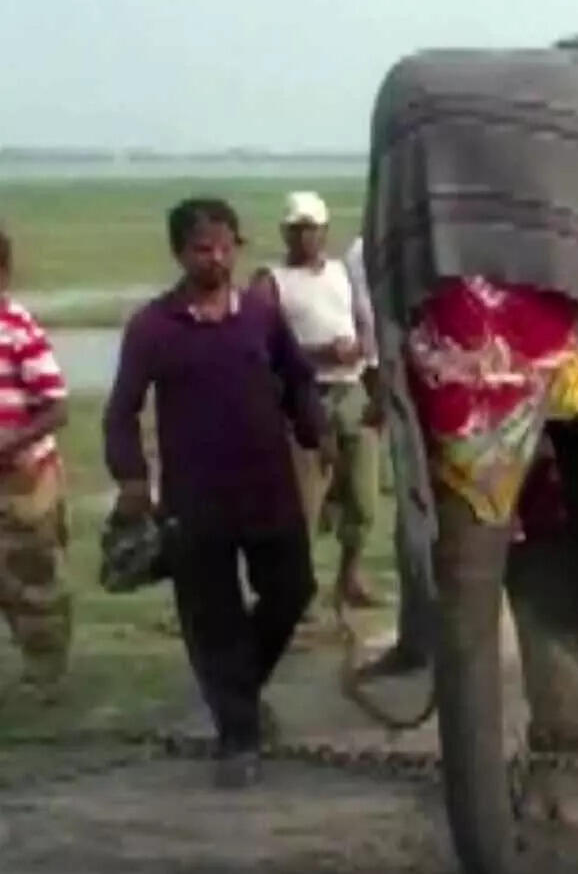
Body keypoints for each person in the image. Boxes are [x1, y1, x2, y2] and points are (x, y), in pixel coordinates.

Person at [104, 198, 323, 787]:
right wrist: (131, 480)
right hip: (195, 501)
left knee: (293, 590)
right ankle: (239, 741)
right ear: (179, 253)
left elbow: (298, 377)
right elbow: (121, 412)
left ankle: (237, 693)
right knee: (214, 618)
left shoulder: (259, 315)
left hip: (269, 488)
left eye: (227, 246)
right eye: (204, 248)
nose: (218, 258)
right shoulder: (153, 327)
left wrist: (314, 430)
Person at [250, 192, 383, 609]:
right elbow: (259, 351)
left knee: (364, 498)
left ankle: (349, 575)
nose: (305, 236)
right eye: (297, 229)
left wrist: (365, 358)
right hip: (302, 397)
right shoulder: (270, 282)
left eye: (312, 228)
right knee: (302, 503)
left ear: (325, 230)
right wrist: (320, 354)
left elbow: (365, 323)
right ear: (285, 232)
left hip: (351, 389)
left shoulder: (342, 273)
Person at [342, 236, 432, 679]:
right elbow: (372, 329)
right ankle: (421, 643)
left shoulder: (370, 249)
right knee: (416, 527)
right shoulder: (368, 251)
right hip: (417, 393)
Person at [0, 224, 72, 705]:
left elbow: (56, 406)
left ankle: (44, 680)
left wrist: (12, 441)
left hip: (21, 478)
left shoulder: (16, 325)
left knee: (35, 582)